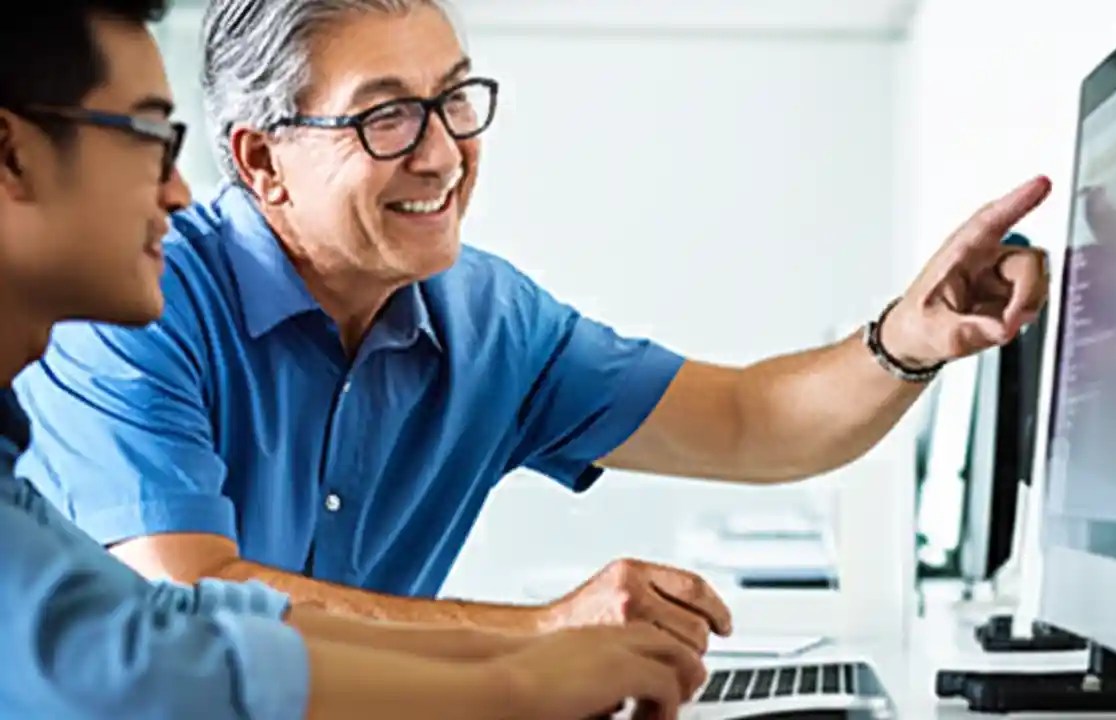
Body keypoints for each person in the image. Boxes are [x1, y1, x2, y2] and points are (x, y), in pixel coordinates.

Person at [14, 0, 1052, 654]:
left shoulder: (487, 320)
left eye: (455, 100)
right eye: (387, 116)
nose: (442, 154)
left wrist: (905, 340)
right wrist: (545, 634)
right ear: (259, 160)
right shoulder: (130, 297)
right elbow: (189, 597)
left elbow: (751, 422)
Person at [0, 3, 704, 718]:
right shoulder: (154, 313)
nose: (177, 190)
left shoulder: (483, 312)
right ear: (11, 155)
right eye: (146, 138)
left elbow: (174, 626)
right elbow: (156, 660)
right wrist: (521, 670)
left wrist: (534, 652)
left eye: (453, 100)